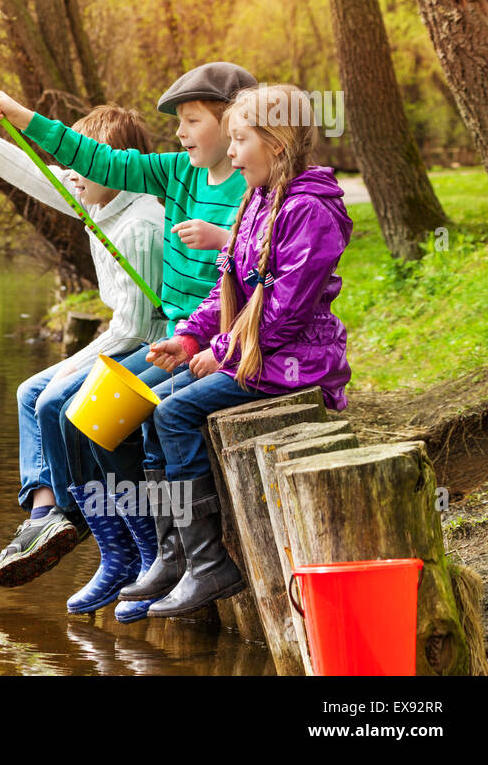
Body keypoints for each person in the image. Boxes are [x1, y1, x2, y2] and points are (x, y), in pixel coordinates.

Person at [0, 61, 256, 620]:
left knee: (111, 416)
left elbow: (271, 273)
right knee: (90, 417)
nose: (179, 132)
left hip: (220, 346)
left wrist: (224, 238)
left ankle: (160, 554)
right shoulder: (179, 173)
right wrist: (18, 115)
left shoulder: (254, 191)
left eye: (192, 120)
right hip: (182, 336)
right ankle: (128, 553)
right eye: (179, 121)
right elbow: (102, 160)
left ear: (232, 123)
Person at [0, 101, 164, 588]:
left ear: (117, 163)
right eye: (72, 163)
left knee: (56, 401)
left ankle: (90, 526)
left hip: (148, 343)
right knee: (29, 393)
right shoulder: (97, 198)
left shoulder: (140, 225)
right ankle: (44, 512)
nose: (71, 173)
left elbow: (135, 329)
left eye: (82, 163)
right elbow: (24, 168)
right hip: (124, 336)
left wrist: (75, 368)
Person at [127, 83, 352, 618]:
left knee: (175, 412)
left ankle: (209, 564)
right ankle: (174, 551)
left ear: (276, 143)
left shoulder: (311, 212)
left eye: (240, 139)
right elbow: (229, 285)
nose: (230, 152)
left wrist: (223, 352)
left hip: (295, 362)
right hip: (258, 351)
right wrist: (190, 337)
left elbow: (284, 311)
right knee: (143, 407)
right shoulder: (257, 200)